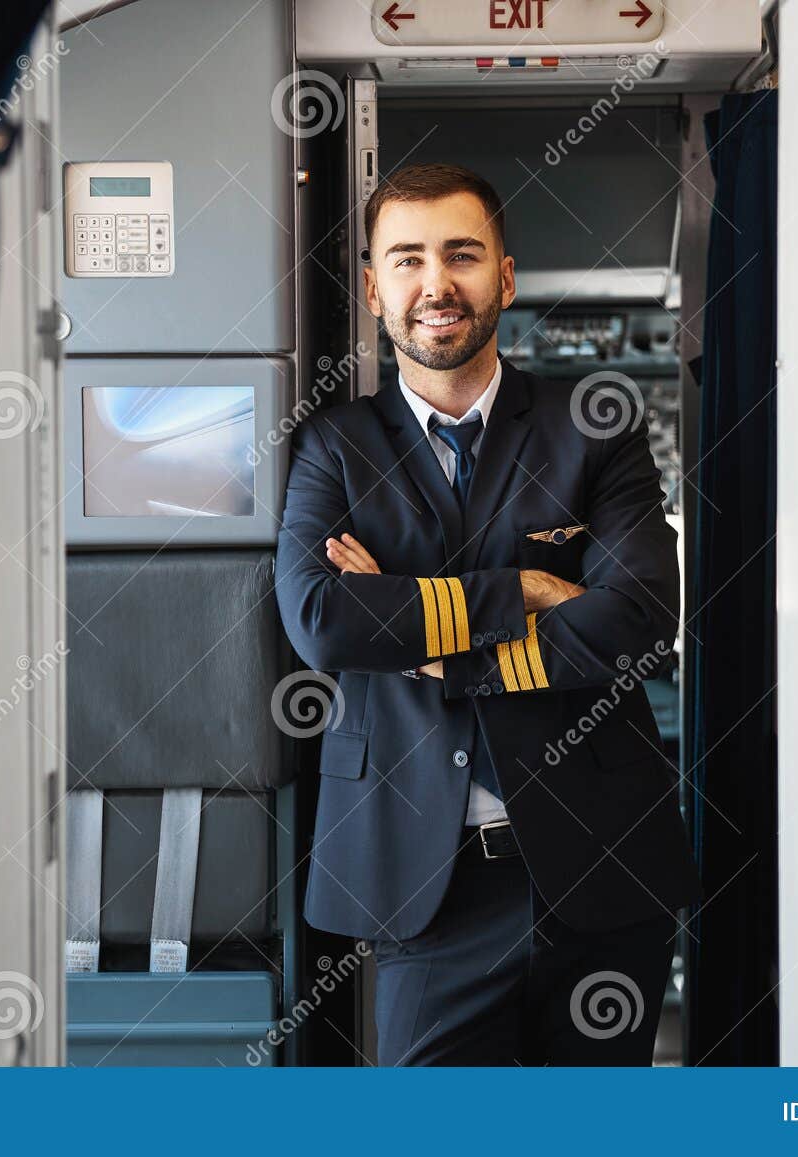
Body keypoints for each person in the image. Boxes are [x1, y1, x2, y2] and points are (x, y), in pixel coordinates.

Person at [275, 162, 701, 1065]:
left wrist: (437, 645)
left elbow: (639, 619)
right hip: (424, 882)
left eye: (462, 255)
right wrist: (526, 592)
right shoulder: (335, 447)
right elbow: (321, 618)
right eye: (408, 259)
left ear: (504, 276)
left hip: (601, 866)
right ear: (374, 287)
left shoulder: (595, 426)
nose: (437, 284)